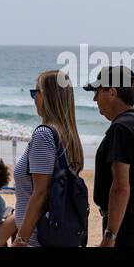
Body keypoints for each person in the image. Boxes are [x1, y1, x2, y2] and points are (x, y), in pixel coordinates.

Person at [87, 66, 134, 248]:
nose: (94, 98)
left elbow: (121, 187)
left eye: (97, 92)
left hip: (125, 226)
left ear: (112, 92)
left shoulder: (120, 128)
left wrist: (110, 235)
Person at [13, 69, 85, 247]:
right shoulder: (68, 136)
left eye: (35, 93)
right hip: (57, 234)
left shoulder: (44, 134)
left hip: (37, 237)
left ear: (47, 97)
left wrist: (21, 239)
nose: (33, 99)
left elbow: (41, 193)